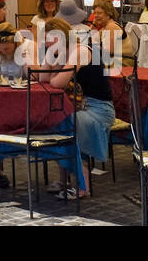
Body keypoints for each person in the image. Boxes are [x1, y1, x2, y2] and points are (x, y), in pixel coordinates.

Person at [29, 17, 114, 199]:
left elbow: (57, 82)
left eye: (52, 39)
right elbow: (42, 78)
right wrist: (51, 56)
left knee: (63, 124)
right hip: (80, 108)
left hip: (98, 110)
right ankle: (65, 178)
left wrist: (53, 64)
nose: (49, 43)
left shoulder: (80, 51)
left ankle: (82, 184)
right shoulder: (66, 53)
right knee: (55, 120)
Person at [89, 0, 129, 69]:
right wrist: (94, 26)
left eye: (99, 13)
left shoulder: (111, 27)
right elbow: (92, 44)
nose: (96, 16)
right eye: (95, 13)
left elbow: (107, 53)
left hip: (120, 67)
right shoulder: (104, 28)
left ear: (108, 14)